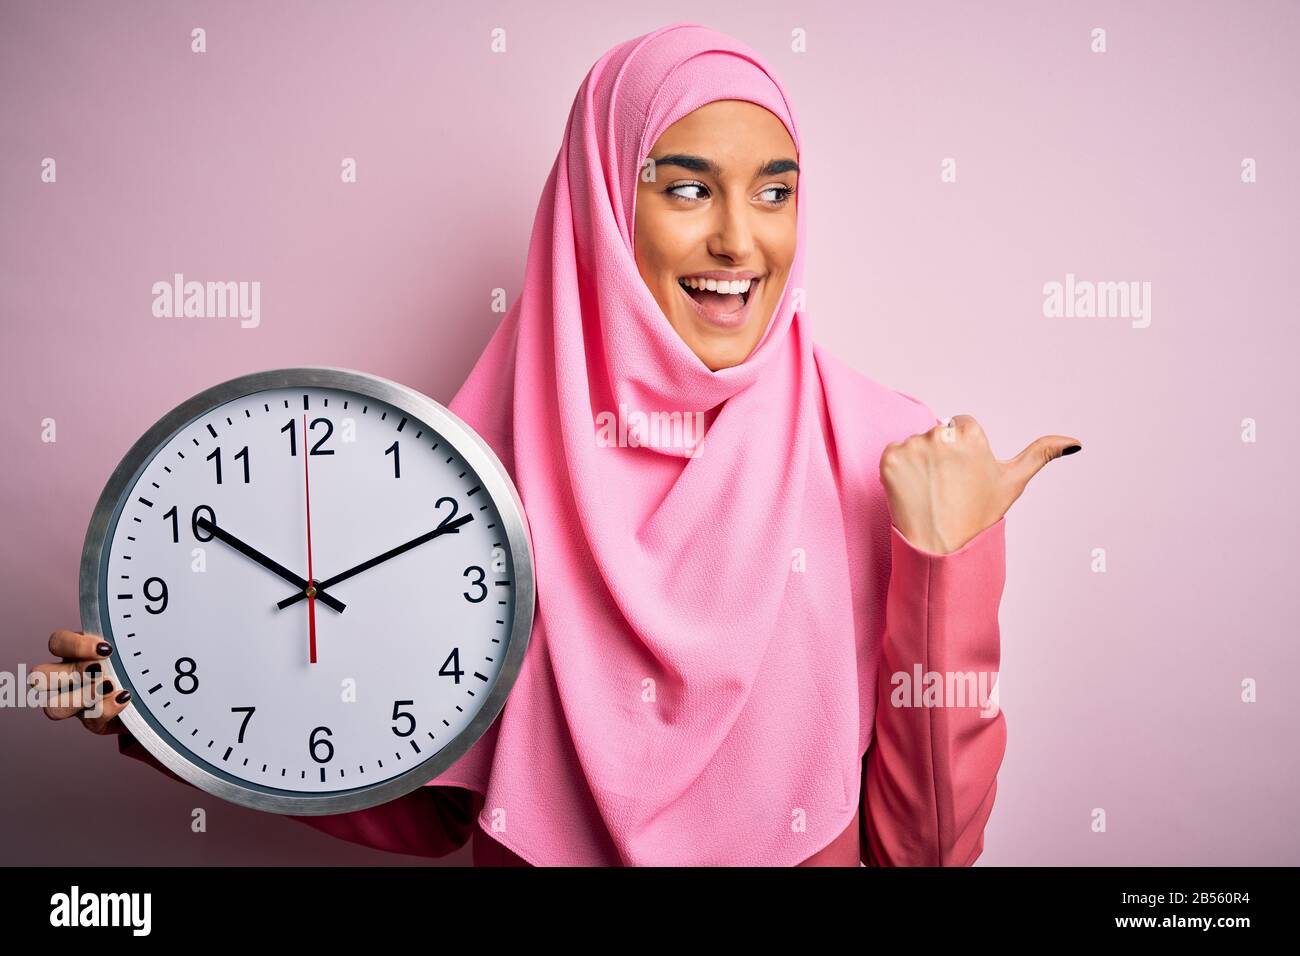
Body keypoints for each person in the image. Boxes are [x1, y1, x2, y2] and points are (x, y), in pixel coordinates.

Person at [32, 22, 1081, 867]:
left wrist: (945, 565)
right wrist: (162, 717)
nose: (739, 239)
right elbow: (432, 805)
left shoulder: (887, 457)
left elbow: (929, 854)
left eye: (774, 189)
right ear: (599, 201)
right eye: (685, 187)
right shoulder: (466, 472)